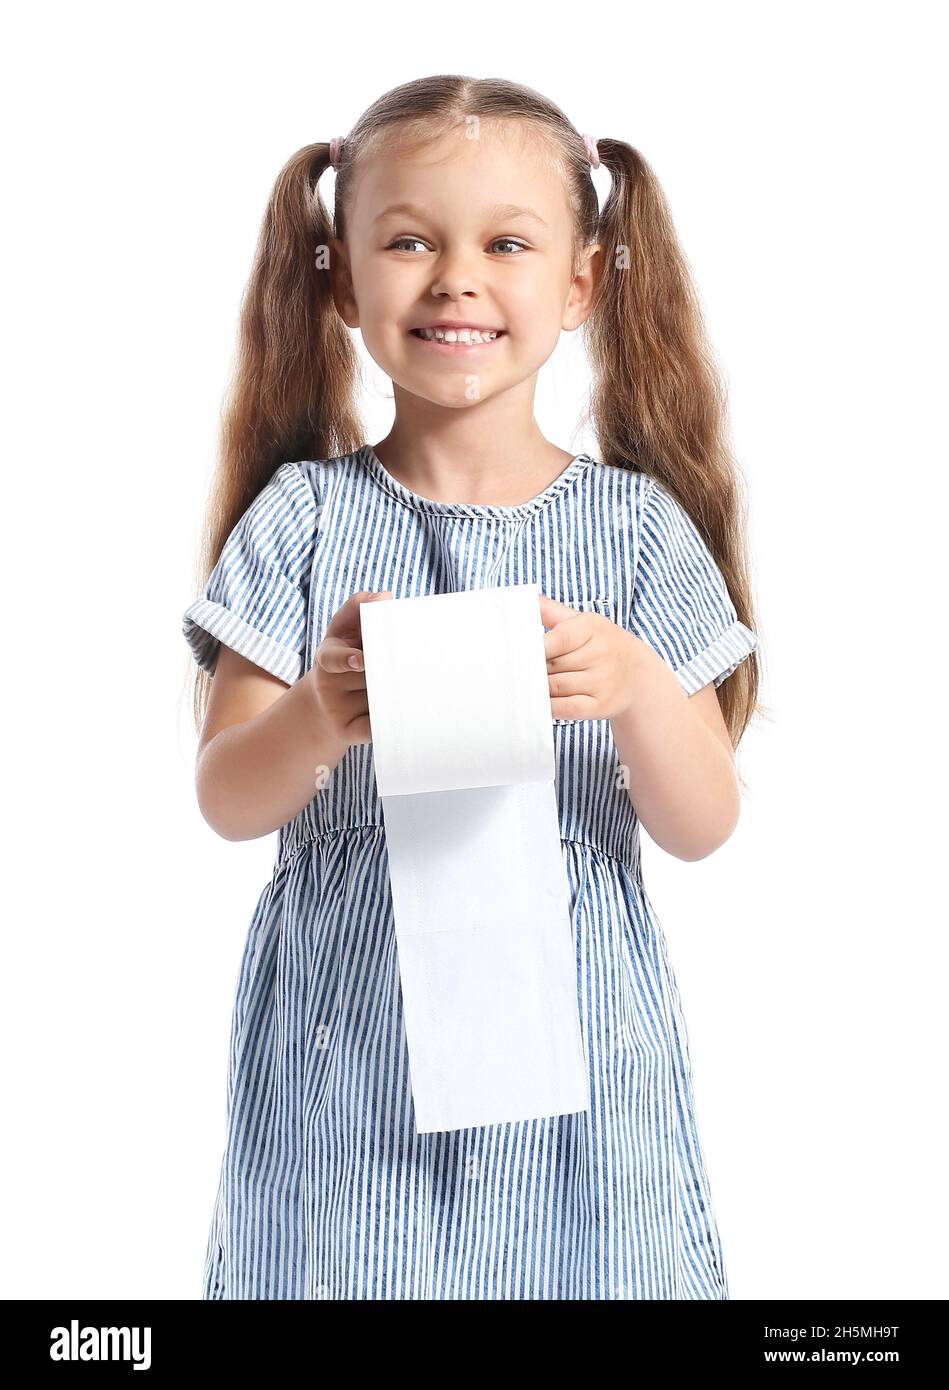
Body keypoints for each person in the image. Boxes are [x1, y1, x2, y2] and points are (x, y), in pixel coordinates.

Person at [182, 73, 762, 1300]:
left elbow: (704, 820)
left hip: (577, 1050)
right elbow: (228, 795)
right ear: (341, 278)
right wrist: (317, 714)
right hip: (355, 1053)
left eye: (506, 242)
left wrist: (639, 687)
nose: (455, 278)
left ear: (581, 281)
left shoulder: (635, 531)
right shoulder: (304, 520)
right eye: (408, 241)